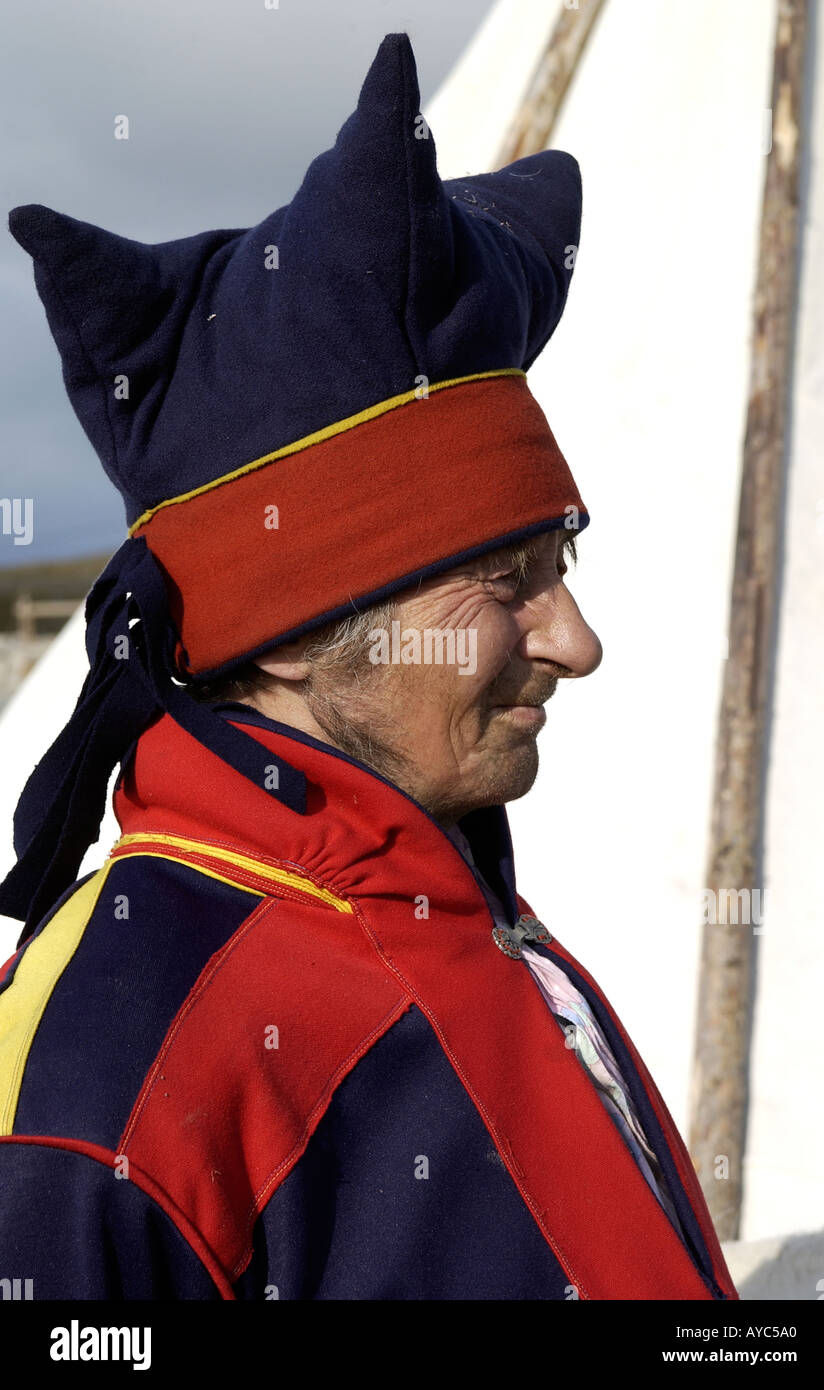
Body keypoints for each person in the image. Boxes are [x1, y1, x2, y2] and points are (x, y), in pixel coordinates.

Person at [0, 32, 737, 1301]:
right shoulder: (106, 1065)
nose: (576, 640)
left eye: (559, 564)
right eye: (505, 584)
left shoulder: (463, 912)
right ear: (282, 628)